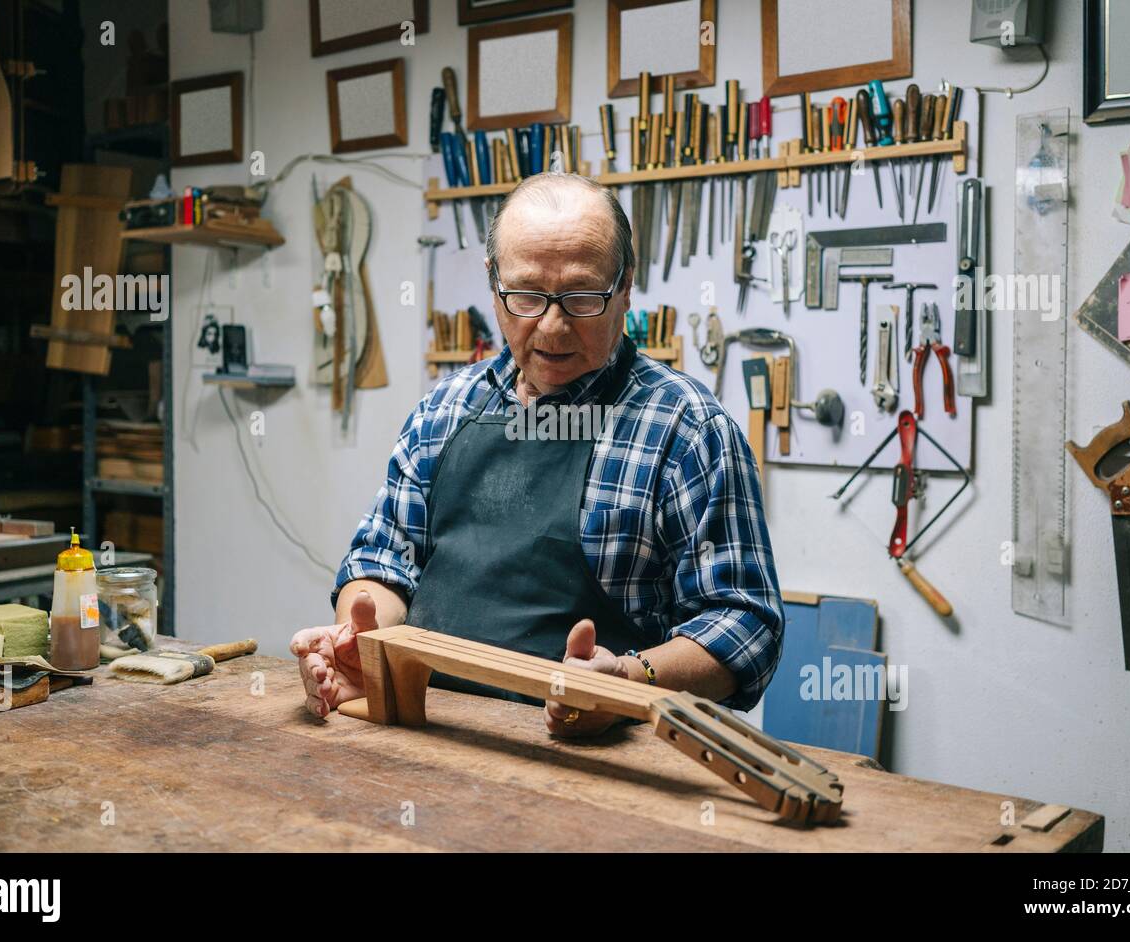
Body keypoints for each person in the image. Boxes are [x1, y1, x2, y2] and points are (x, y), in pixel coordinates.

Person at [292, 172, 783, 737]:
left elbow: (748, 627)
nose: (552, 326)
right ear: (493, 282)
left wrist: (627, 680)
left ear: (625, 286)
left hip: (595, 768)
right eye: (525, 296)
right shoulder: (443, 411)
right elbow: (383, 564)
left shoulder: (687, 430)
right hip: (426, 740)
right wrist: (362, 642)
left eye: (580, 296)